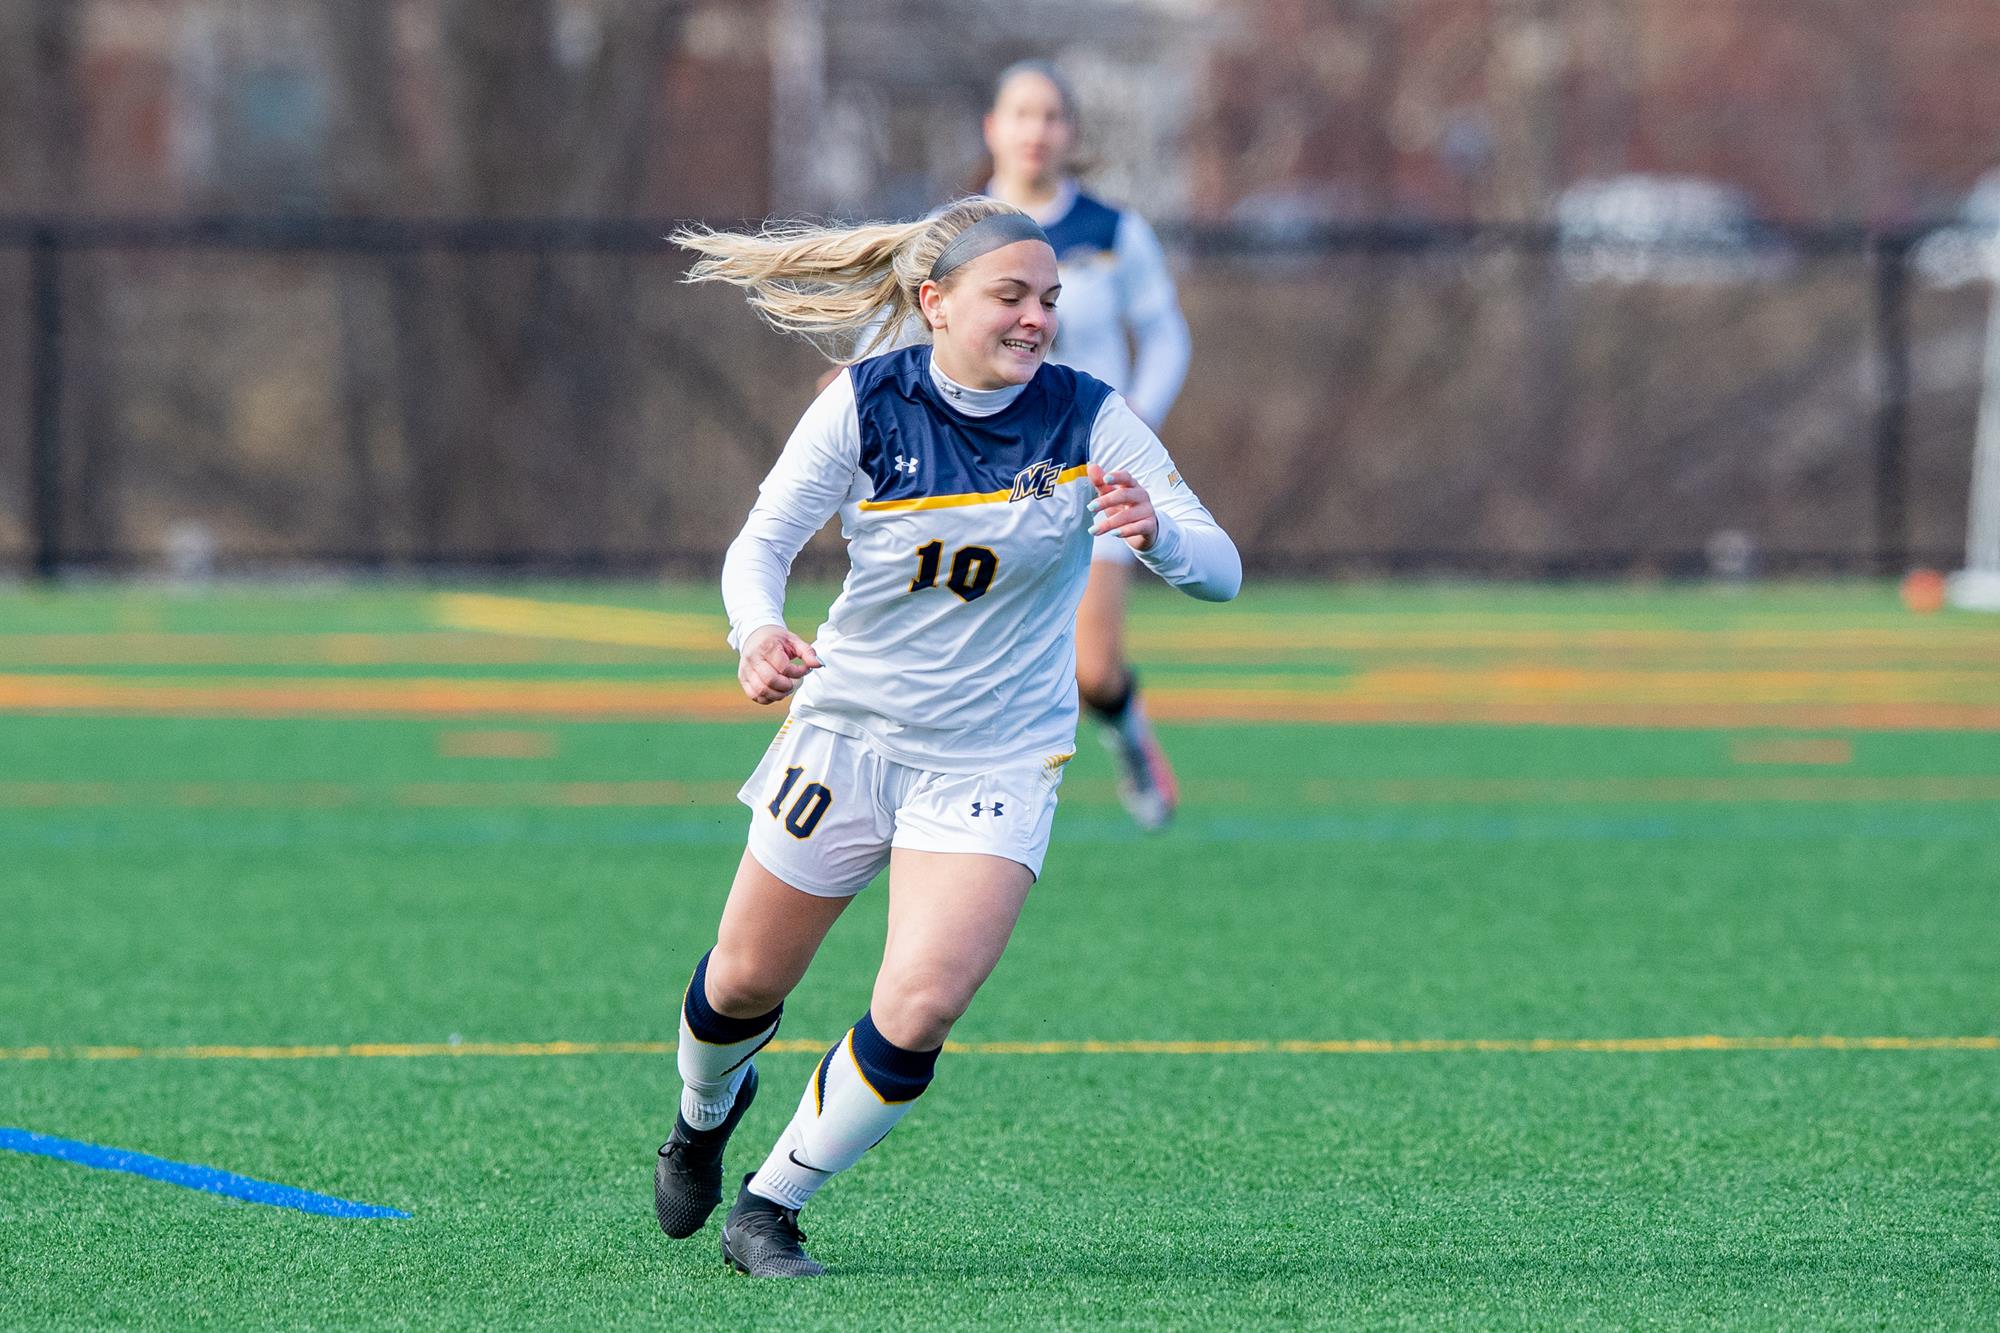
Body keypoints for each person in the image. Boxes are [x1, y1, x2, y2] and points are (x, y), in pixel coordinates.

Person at [653, 197, 1240, 1277]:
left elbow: (1223, 565)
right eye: (1009, 297)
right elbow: (760, 545)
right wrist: (757, 633)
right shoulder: (865, 402)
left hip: (994, 759)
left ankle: (771, 1204)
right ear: (934, 304)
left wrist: (1158, 536)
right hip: (845, 735)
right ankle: (699, 1117)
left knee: (919, 1000)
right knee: (740, 981)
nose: (1035, 321)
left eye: (1049, 301)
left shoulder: (1087, 416)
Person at [979, 60, 1193, 831]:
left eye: (1051, 116)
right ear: (992, 128)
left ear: (1070, 133)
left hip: (1090, 473)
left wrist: (1138, 416)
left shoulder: (1111, 231)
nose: (1036, 130)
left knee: (1093, 667)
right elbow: (912, 326)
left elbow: (1166, 335)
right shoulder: (963, 231)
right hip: (984, 475)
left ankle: (1128, 733)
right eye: (1021, 113)